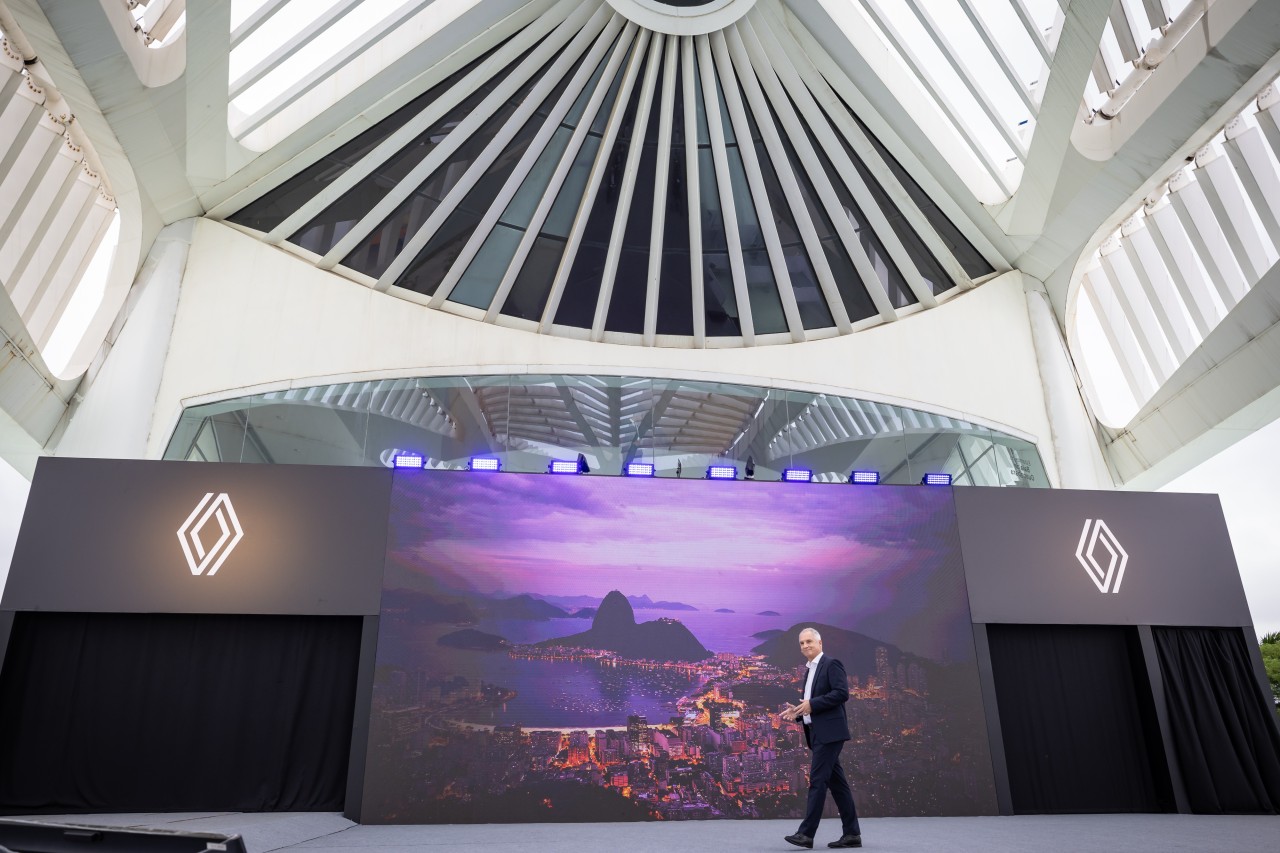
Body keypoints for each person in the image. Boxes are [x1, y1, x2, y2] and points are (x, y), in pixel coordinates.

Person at [779, 627, 862, 849]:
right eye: (802, 643)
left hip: (830, 734)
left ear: (820, 643)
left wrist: (812, 704)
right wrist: (798, 712)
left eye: (809, 641)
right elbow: (811, 705)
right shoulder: (809, 671)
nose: (805, 646)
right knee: (838, 785)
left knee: (817, 781)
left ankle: (806, 834)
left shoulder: (831, 664)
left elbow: (841, 693)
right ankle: (852, 834)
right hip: (817, 734)